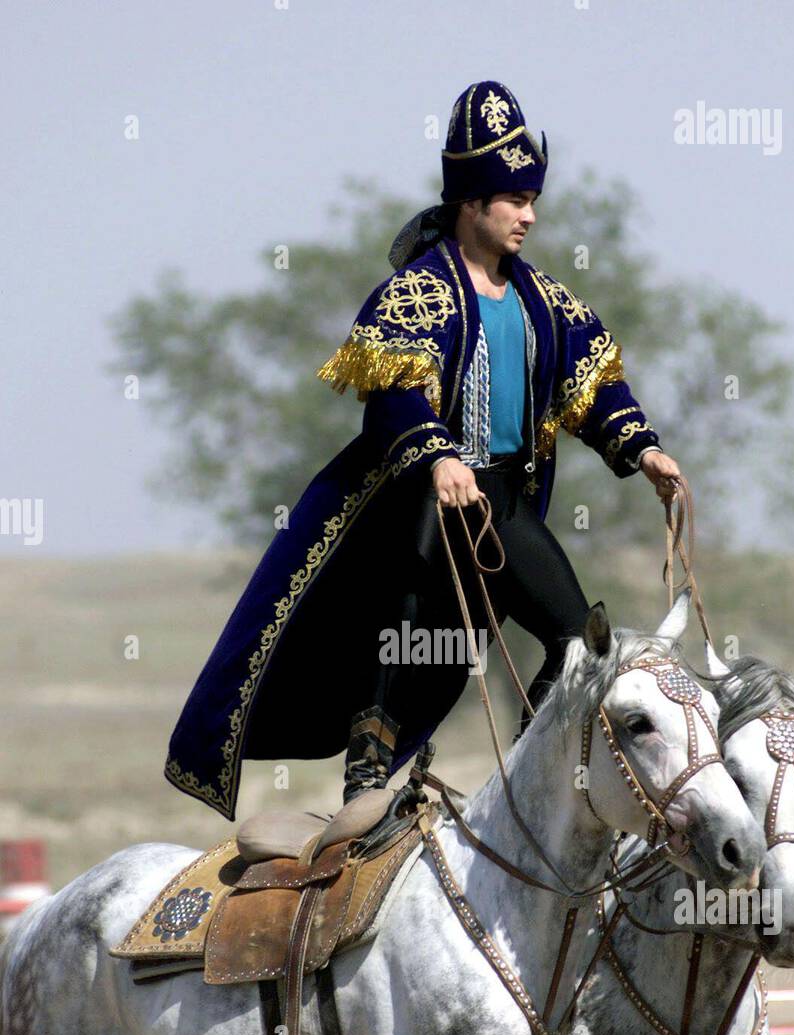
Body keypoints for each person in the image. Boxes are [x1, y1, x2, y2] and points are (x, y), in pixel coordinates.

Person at [165, 81, 680, 825]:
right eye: (513, 199)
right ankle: (363, 783)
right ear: (471, 203)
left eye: (532, 198)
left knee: (577, 643)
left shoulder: (548, 303)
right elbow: (393, 400)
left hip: (501, 500)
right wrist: (438, 457)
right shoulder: (416, 295)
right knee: (410, 620)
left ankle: (536, 777)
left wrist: (645, 450)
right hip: (420, 496)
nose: (529, 214)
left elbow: (593, 387)